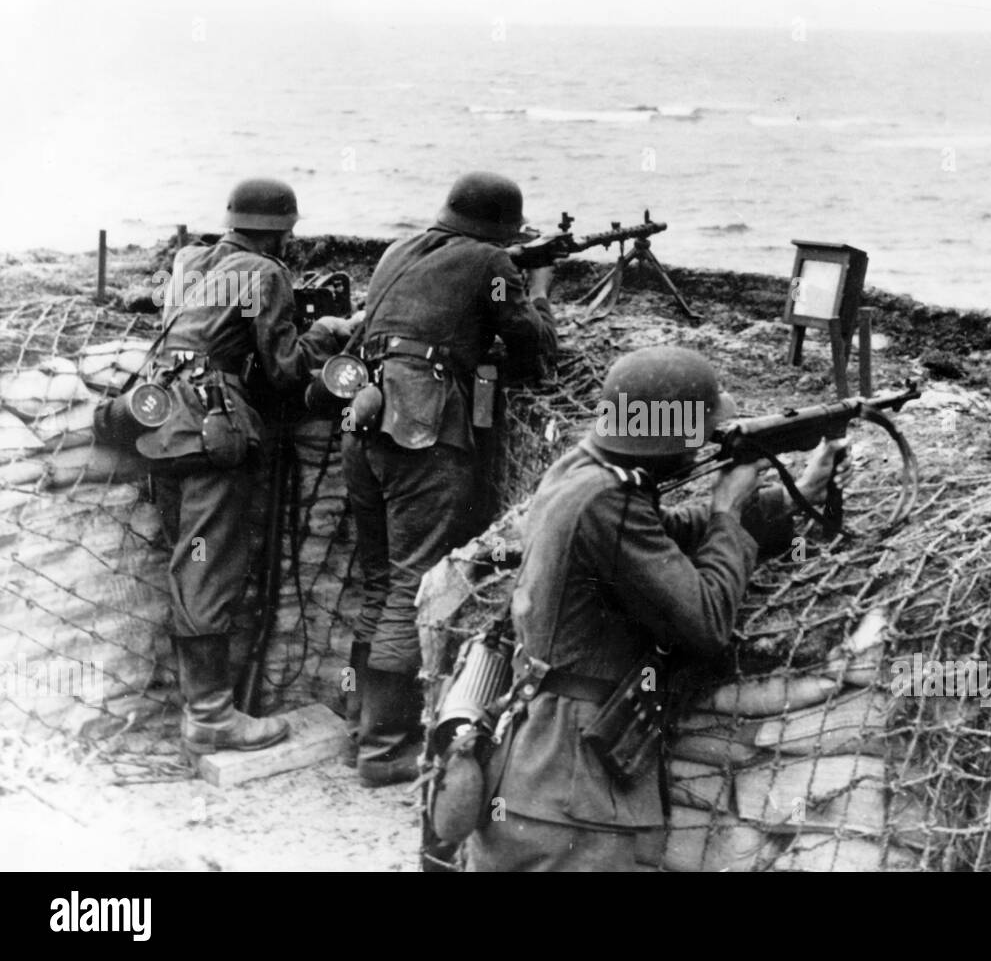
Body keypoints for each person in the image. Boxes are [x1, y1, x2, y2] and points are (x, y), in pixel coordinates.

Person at [464, 345, 851, 871]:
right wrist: (727, 512)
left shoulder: (585, 474)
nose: (706, 445)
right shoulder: (609, 502)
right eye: (702, 433)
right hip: (575, 793)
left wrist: (790, 497)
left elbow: (662, 538)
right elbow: (707, 621)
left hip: (533, 770)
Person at [343, 171, 558, 787]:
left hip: (367, 418)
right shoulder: (492, 260)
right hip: (420, 428)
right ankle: (384, 751)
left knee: (380, 576)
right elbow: (534, 345)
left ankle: (360, 727)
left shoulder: (397, 250)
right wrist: (537, 288)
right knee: (413, 579)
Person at [146, 177, 360, 761]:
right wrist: (325, 333)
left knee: (186, 556)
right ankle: (212, 717)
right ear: (281, 232)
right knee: (209, 562)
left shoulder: (191, 259)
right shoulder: (266, 273)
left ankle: (203, 708)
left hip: (160, 418)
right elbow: (287, 369)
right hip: (210, 424)